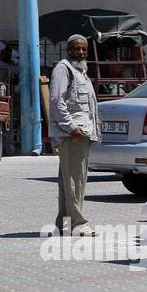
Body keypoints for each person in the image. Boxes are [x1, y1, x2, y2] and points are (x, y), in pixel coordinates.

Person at [47, 34, 99, 236]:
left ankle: (64, 225)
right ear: (68, 50)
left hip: (82, 132)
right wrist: (71, 127)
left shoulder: (81, 71)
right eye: (76, 49)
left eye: (83, 49)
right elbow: (56, 101)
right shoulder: (64, 69)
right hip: (73, 134)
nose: (80, 52)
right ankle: (79, 223)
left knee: (69, 180)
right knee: (75, 181)